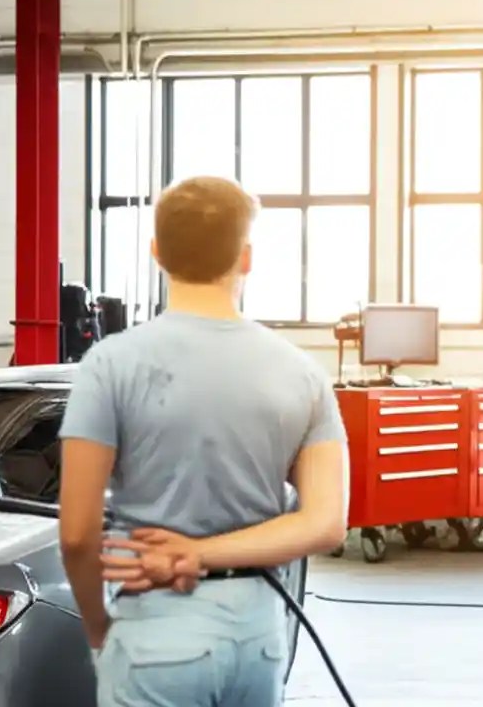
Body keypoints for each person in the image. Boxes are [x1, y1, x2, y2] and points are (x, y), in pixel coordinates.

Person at [56, 175, 349, 707]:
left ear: (156, 253)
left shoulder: (110, 364)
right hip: (257, 641)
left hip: (154, 636)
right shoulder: (302, 374)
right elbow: (326, 523)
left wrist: (100, 629)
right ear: (247, 257)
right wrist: (205, 552)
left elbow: (77, 534)